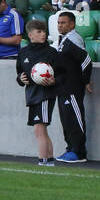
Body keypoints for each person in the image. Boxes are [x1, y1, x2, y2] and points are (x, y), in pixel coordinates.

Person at [15, 19, 62, 166]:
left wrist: (54, 80)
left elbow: (61, 73)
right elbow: (20, 73)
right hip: (32, 94)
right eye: (39, 31)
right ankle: (49, 160)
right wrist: (20, 79)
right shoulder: (23, 53)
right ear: (30, 35)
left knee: (39, 128)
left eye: (44, 31)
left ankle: (43, 161)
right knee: (41, 130)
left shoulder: (51, 52)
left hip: (45, 94)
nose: (43, 34)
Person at [54, 10, 92, 163]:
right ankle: (70, 148)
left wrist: (85, 80)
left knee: (75, 118)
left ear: (72, 24)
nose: (59, 25)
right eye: (58, 22)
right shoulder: (64, 39)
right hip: (62, 86)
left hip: (72, 87)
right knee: (67, 119)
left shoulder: (73, 39)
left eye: (63, 23)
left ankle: (79, 152)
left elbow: (86, 60)